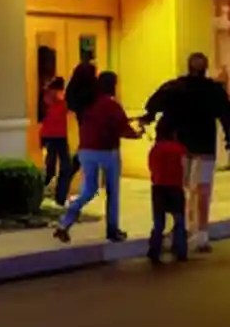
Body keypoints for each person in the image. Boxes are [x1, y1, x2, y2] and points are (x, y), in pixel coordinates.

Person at [139, 52, 230, 253]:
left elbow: (152, 104)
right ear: (205, 68)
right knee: (202, 190)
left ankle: (178, 229)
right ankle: (200, 233)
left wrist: (149, 117)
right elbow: (227, 117)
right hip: (204, 146)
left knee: (177, 188)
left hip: (178, 147)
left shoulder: (175, 87)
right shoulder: (214, 90)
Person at [53, 71, 139, 243]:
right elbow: (124, 129)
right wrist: (137, 133)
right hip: (108, 152)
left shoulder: (88, 104)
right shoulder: (112, 105)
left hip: (86, 151)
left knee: (88, 190)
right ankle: (112, 230)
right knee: (112, 192)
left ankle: (65, 222)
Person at [147, 126, 188, 262]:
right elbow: (185, 167)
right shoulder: (180, 149)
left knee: (159, 222)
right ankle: (181, 251)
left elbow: (151, 167)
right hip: (175, 187)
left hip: (158, 187)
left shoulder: (155, 149)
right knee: (179, 220)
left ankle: (154, 250)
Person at [39, 76, 74, 206]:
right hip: (57, 136)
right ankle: (58, 195)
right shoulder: (58, 101)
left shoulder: (47, 98)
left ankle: (46, 191)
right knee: (63, 166)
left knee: (52, 166)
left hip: (50, 135)